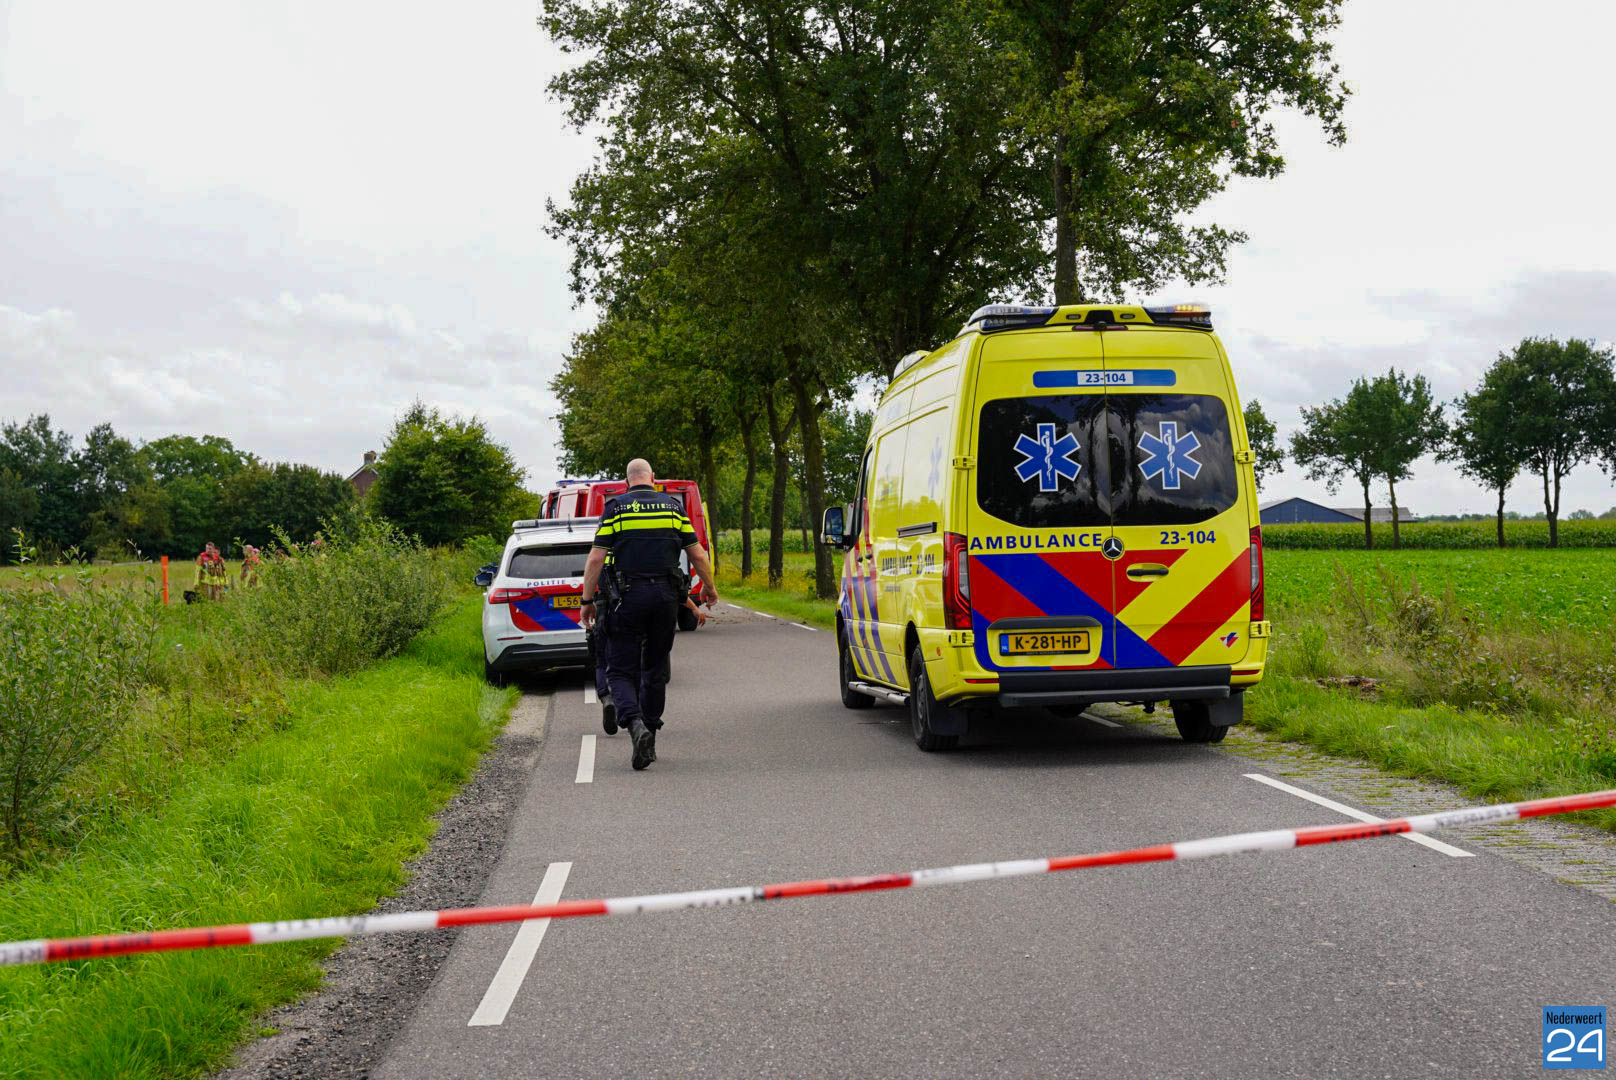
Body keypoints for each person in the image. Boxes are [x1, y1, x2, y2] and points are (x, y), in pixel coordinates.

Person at [581, 459, 717, 770]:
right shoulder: (672, 508)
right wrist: (709, 589)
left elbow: (595, 559)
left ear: (626, 481)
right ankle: (651, 733)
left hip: (626, 599)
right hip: (666, 599)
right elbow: (696, 553)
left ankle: (636, 725)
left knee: (620, 671)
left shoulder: (616, 509)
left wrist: (587, 600)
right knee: (655, 668)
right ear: (652, 478)